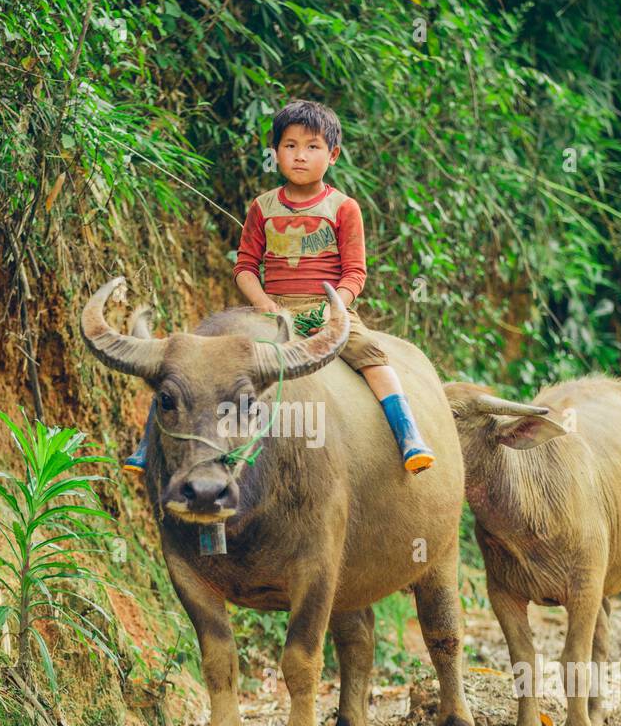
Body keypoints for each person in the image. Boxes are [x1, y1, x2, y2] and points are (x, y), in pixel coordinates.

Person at [124, 99, 434, 474]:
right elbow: (245, 268)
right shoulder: (263, 207)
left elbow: (355, 272)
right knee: (191, 367)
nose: (300, 156)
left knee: (372, 357)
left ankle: (408, 436)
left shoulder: (343, 207)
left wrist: (334, 310)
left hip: (327, 310)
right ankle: (146, 448)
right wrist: (264, 303)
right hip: (272, 312)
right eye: (290, 146)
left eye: (312, 147)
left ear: (332, 155)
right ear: (275, 152)